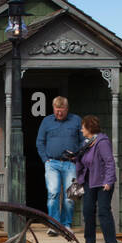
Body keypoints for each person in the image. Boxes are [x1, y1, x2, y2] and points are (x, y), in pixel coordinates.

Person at [36, 96, 83, 234]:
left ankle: (66, 225)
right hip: (52, 163)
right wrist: (45, 159)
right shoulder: (46, 121)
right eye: (57, 111)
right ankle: (54, 225)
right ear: (53, 109)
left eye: (62, 111)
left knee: (70, 197)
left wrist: (78, 156)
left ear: (67, 109)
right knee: (53, 193)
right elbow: (40, 142)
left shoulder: (76, 120)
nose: (59, 113)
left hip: (71, 164)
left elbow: (83, 141)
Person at [76, 115, 120, 243]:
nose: (81, 130)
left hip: (102, 183)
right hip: (89, 182)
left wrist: (109, 181)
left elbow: (109, 162)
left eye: (83, 127)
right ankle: (90, 242)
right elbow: (84, 161)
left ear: (89, 128)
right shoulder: (87, 143)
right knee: (88, 211)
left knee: (103, 211)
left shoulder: (102, 142)